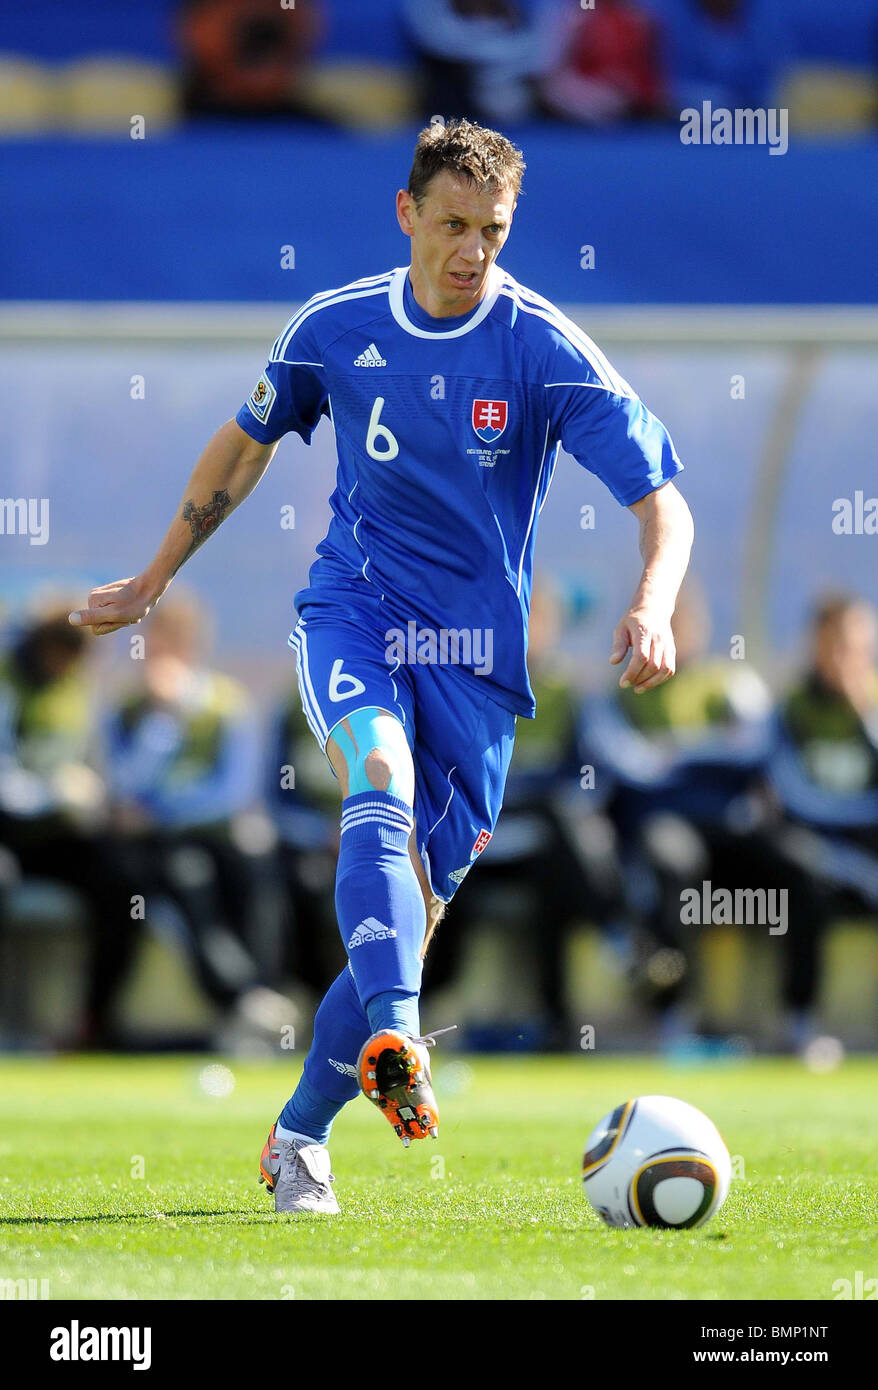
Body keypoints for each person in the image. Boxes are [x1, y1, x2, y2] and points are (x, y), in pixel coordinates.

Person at [70, 118, 693, 1214]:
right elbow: (244, 442)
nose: (470, 250)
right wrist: (153, 575)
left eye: (490, 231)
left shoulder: (540, 346)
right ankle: (402, 1030)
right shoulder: (335, 326)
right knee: (378, 780)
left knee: (407, 906)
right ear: (405, 214)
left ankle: (297, 1133)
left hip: (478, 670)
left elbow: (661, 501)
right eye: (450, 225)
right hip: (355, 615)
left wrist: (649, 605)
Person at [102, 594, 292, 1046]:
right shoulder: (129, 709)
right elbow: (124, 785)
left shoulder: (226, 705)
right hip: (158, 846)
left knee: (257, 869)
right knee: (189, 878)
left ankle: (267, 990)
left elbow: (234, 790)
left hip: (215, 835)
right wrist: (162, 724)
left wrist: (166, 808)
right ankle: (242, 999)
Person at [766, 593, 878, 1048]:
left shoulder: (871, 707)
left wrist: (866, 717)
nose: (847, 659)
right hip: (817, 848)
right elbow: (795, 798)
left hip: (868, 846)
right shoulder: (791, 710)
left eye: (858, 648)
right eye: (838, 646)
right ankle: (800, 1023)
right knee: (800, 877)